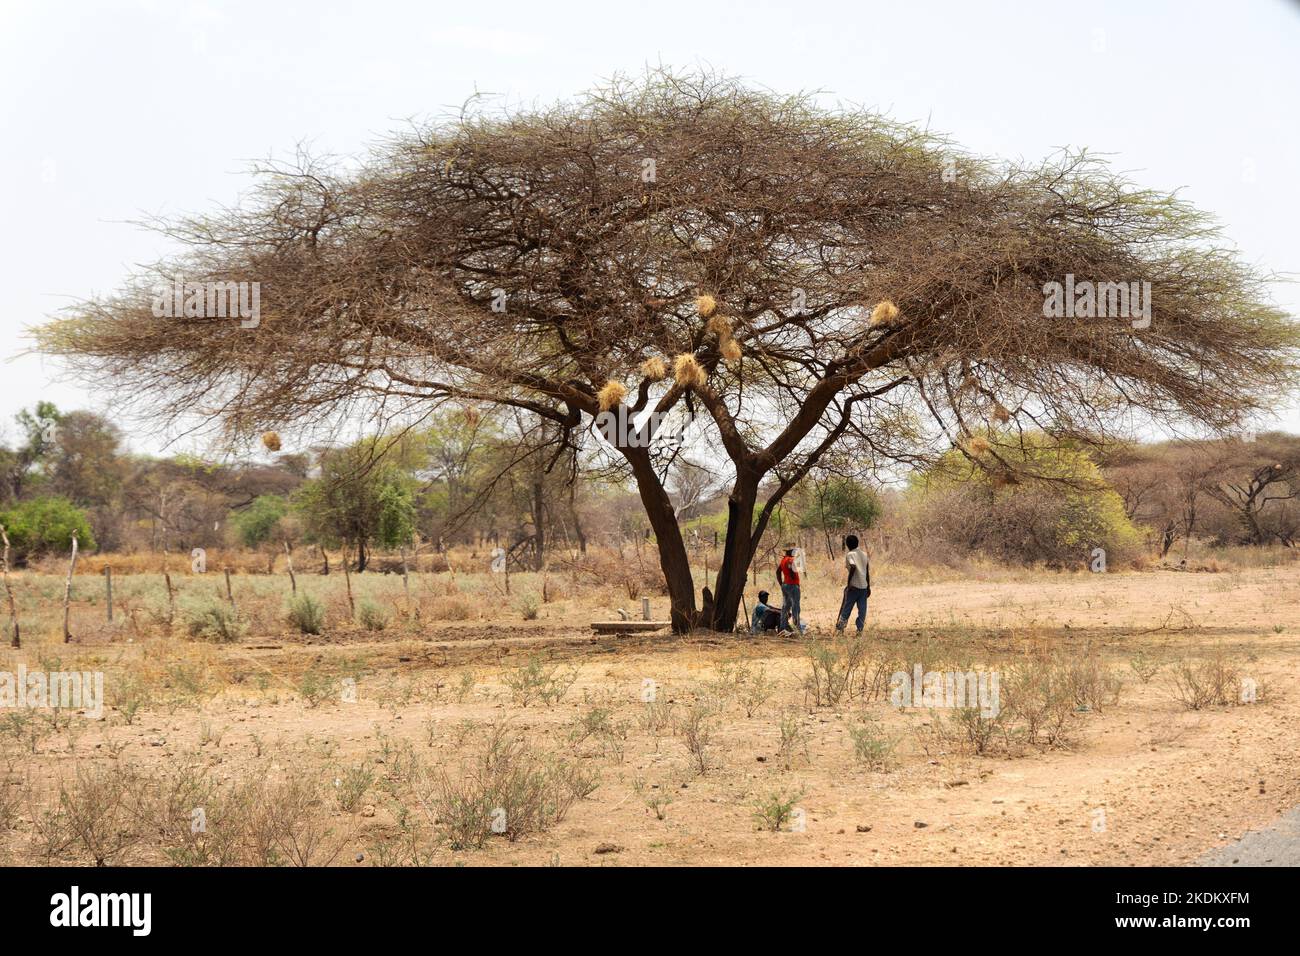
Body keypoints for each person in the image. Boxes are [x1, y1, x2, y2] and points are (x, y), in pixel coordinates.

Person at [835, 533, 871, 635]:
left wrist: (849, 582)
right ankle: (859, 630)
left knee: (847, 608)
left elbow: (853, 566)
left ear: (847, 545)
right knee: (862, 610)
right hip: (863, 586)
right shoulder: (864, 554)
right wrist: (868, 586)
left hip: (854, 587)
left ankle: (840, 629)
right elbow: (866, 571)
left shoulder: (850, 554)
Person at [777, 545, 802, 633]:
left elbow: (778, 571)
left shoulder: (783, 560)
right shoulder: (790, 560)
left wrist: (781, 583)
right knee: (795, 607)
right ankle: (797, 628)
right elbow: (792, 569)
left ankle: (782, 627)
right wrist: (792, 576)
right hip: (793, 585)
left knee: (785, 607)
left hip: (785, 585)